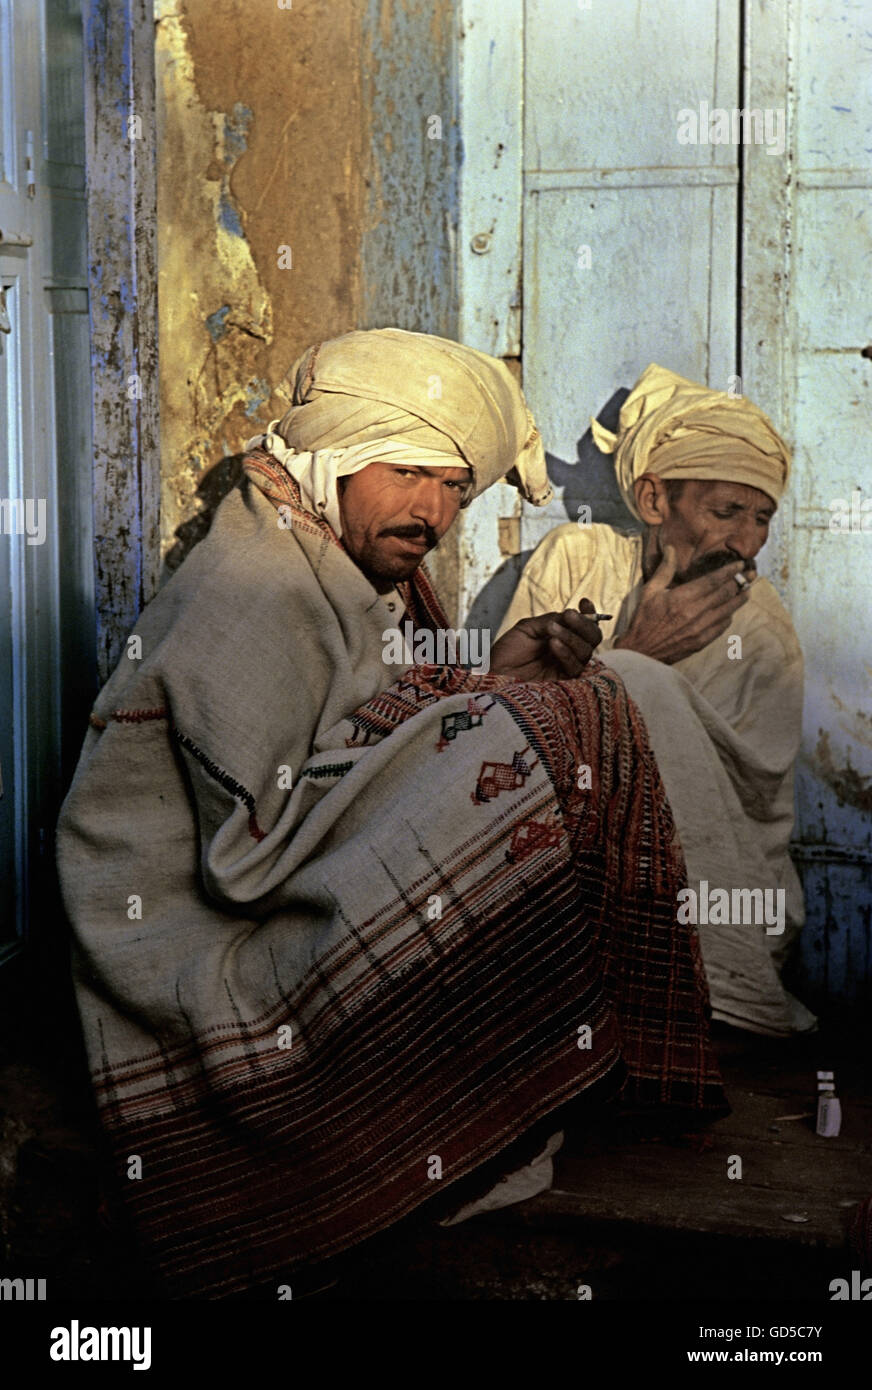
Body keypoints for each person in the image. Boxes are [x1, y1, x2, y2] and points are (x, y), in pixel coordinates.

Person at [56, 331, 726, 1299]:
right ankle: (431, 1122)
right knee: (532, 737)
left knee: (583, 700)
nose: (434, 510)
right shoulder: (255, 588)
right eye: (406, 472)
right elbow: (253, 841)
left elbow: (354, 727)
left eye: (454, 484)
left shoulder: (328, 563)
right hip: (205, 946)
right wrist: (474, 712)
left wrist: (488, 675)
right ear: (332, 457)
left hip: (276, 874)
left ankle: (506, 1087)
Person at [500, 363, 817, 1038]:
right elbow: (502, 736)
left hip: (714, 902)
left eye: (762, 517)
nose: (746, 541)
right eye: (725, 512)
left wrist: (626, 675)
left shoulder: (760, 629)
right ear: (652, 500)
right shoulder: (572, 561)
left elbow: (747, 810)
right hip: (565, 871)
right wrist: (639, 650)